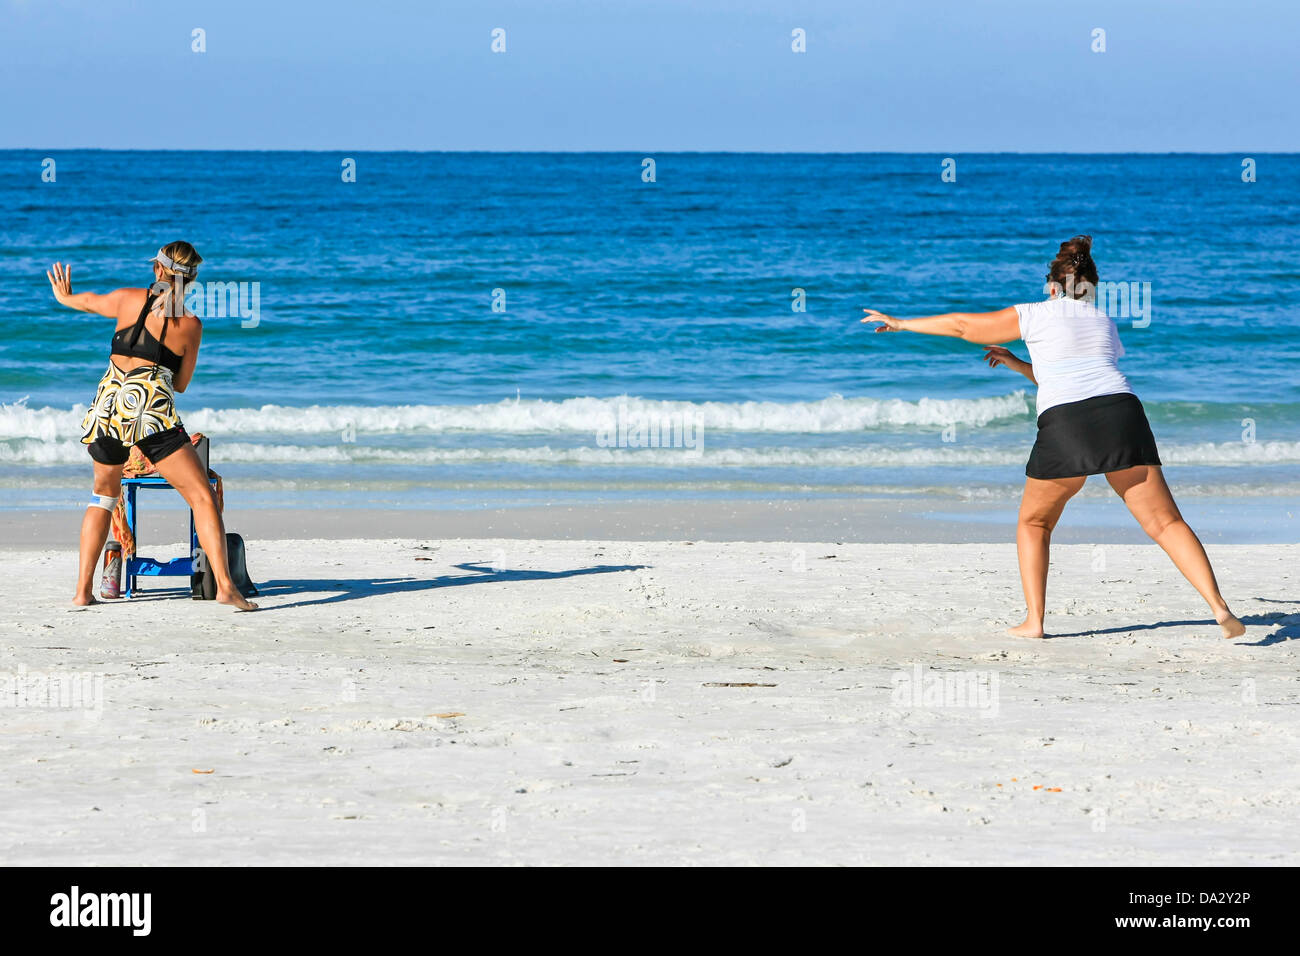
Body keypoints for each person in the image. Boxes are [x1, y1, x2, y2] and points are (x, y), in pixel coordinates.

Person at [863, 235, 1242, 640]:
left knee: (1035, 522)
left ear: (1051, 287)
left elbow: (963, 326)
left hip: (1067, 422)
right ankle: (1220, 608)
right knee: (1166, 523)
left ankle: (1035, 623)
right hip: (1122, 410)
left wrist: (903, 323)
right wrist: (1018, 365)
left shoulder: (1034, 314)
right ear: (1091, 289)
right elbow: (1074, 373)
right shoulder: (1103, 322)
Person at [48, 242, 258, 610]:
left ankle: (82, 592)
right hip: (149, 413)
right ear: (190, 279)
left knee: (103, 497)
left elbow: (85, 302)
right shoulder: (190, 325)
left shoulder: (126, 299)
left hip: (107, 410)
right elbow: (180, 385)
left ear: (158, 270)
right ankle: (225, 587)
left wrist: (65, 296)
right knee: (201, 497)